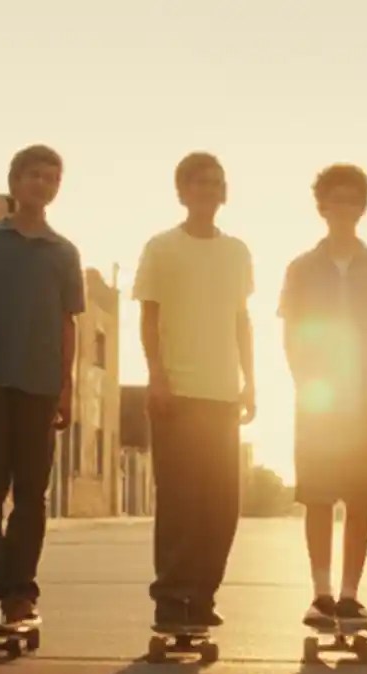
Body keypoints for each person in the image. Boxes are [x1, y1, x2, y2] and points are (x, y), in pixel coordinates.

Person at [0, 144, 83, 625]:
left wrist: (66, 387)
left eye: (52, 178)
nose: (43, 185)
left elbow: (68, 324)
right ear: (14, 181)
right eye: (35, 175)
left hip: (40, 387)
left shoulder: (63, 252)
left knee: (32, 495)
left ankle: (20, 595)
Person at [279, 164, 367, 632]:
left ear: (363, 207)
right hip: (319, 399)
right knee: (317, 496)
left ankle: (350, 597)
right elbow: (291, 332)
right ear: (322, 206)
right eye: (336, 198)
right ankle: (321, 595)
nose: (345, 207)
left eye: (354, 199)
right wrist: (303, 383)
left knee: (360, 499)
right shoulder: (301, 267)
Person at [133, 151, 256, 629]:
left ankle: (202, 596)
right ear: (182, 191)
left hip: (224, 392)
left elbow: (241, 319)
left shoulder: (237, 252)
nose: (209, 190)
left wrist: (251, 380)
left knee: (222, 504)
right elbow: (149, 317)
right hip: (177, 394)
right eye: (200, 182)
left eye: (217, 183)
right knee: (180, 501)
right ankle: (171, 598)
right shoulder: (162, 248)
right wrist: (157, 376)